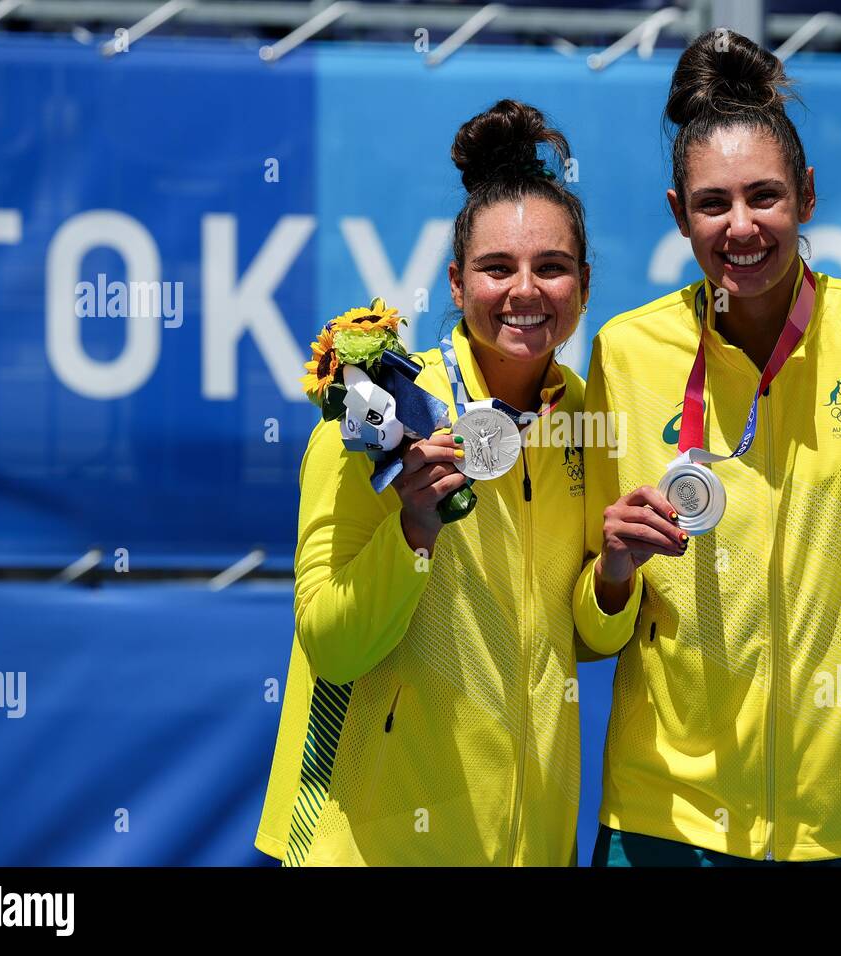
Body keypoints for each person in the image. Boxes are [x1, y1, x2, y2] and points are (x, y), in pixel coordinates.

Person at [572, 30, 841, 867]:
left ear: (806, 196)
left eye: (764, 196)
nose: (740, 227)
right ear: (679, 216)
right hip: (668, 815)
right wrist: (612, 573)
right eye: (712, 204)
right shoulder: (627, 352)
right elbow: (596, 628)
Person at [256, 99, 593, 866]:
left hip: (527, 844)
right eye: (496, 268)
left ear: (583, 280)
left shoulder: (583, 418)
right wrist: (413, 532)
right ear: (454, 280)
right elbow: (333, 647)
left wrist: (614, 581)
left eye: (552, 266)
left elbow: (577, 636)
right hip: (369, 847)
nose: (525, 291)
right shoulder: (380, 412)